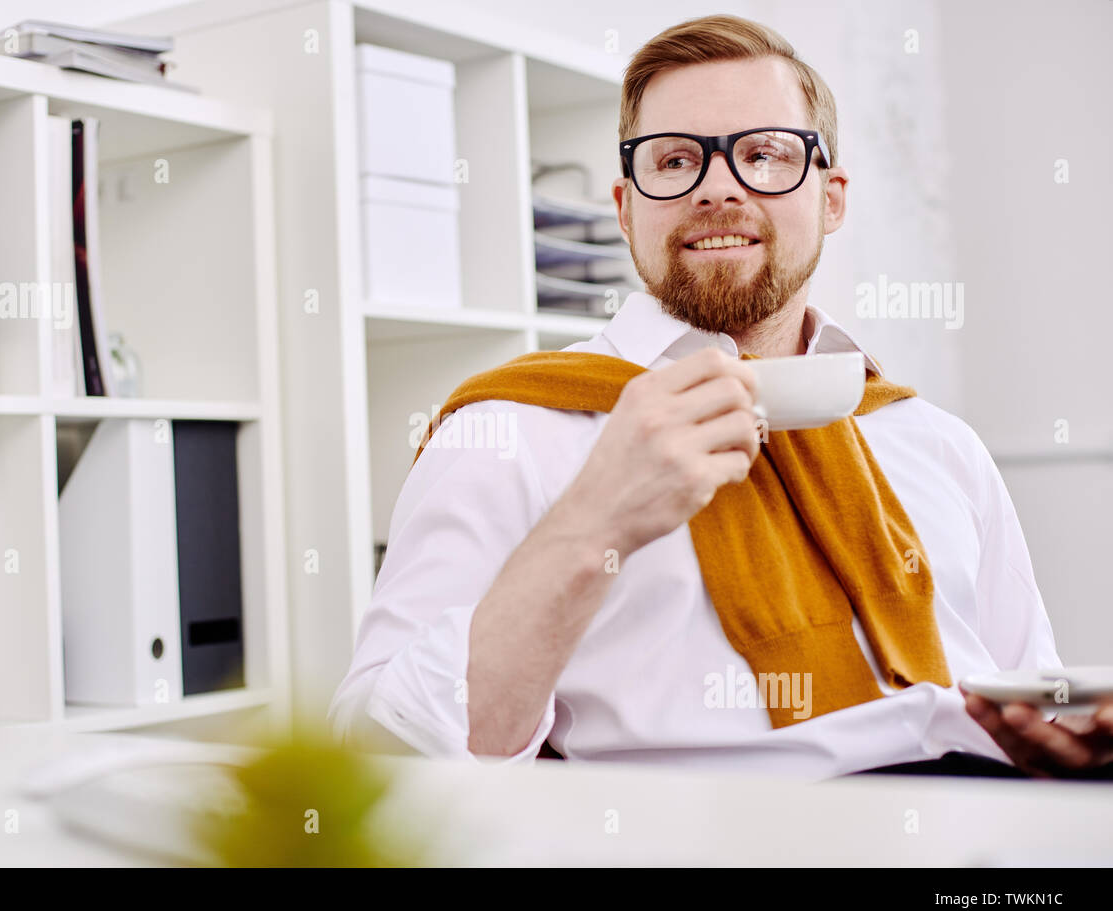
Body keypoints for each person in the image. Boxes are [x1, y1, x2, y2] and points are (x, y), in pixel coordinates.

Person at [328, 14, 1113, 780]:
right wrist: (593, 516)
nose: (717, 188)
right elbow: (375, 764)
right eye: (673, 162)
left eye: (765, 154)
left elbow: (1033, 694)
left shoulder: (938, 442)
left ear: (831, 197)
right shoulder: (507, 432)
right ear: (627, 207)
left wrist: (1062, 746)